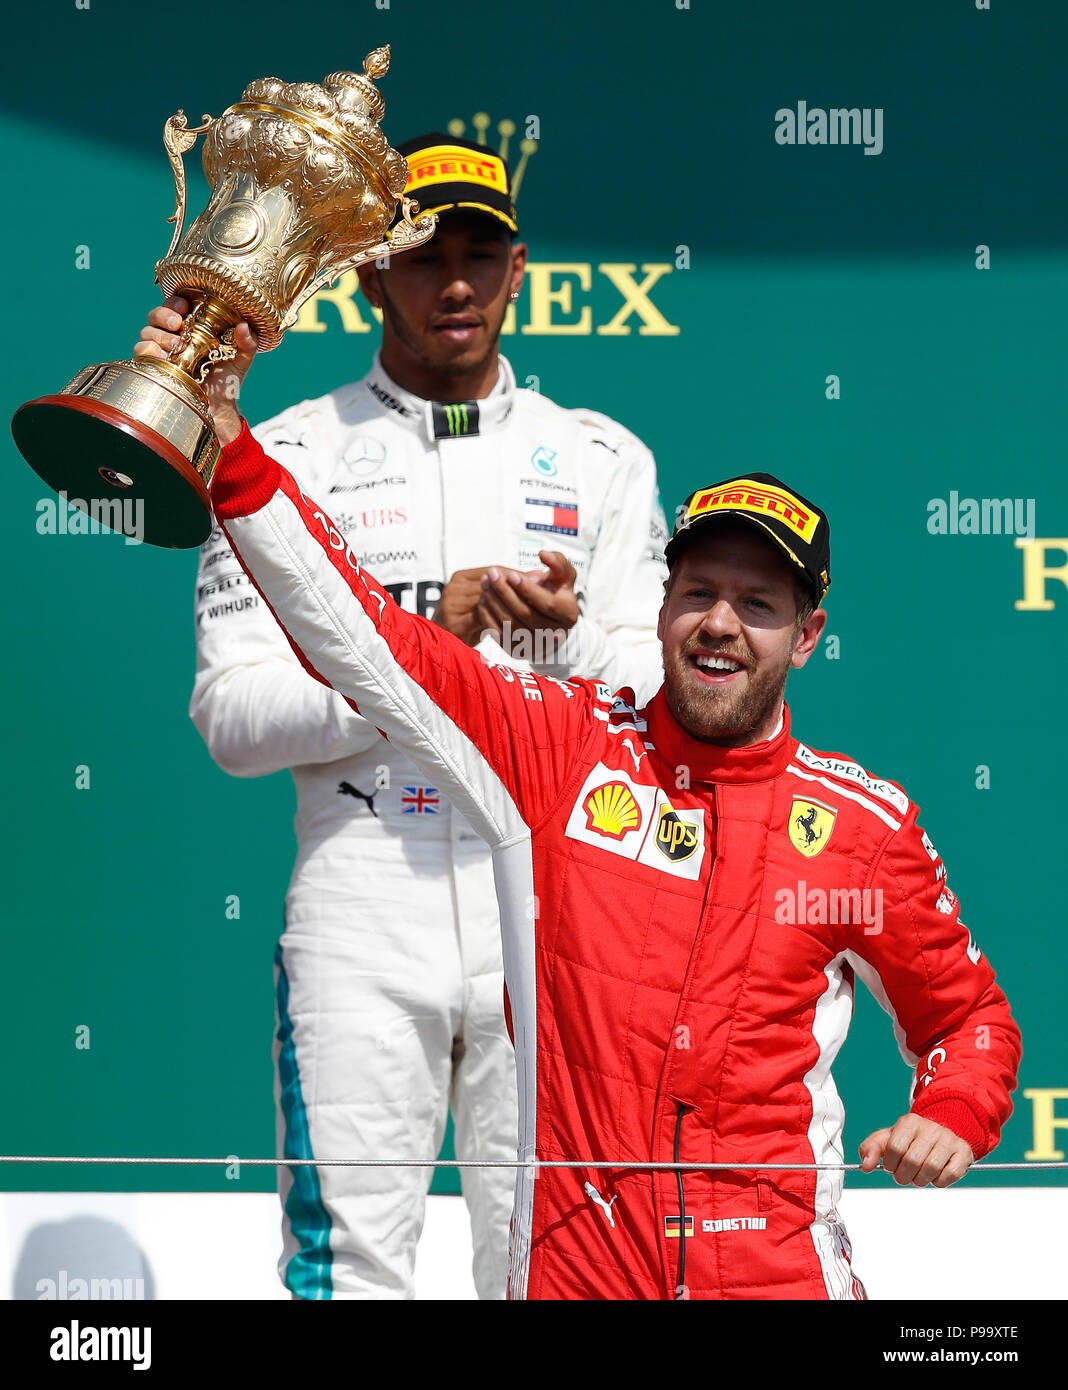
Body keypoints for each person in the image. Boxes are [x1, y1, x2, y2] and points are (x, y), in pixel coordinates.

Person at [201, 450, 1022, 1301]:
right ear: (663, 607)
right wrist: (233, 459)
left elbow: (969, 1021)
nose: (720, 624)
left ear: (807, 636)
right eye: (699, 593)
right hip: (575, 1278)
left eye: (759, 605)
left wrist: (952, 1109)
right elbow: (366, 637)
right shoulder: (559, 751)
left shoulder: (861, 828)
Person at [135, 132, 669, 1300]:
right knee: (350, 1267)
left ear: (522, 268)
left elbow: (653, 699)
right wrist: (426, 647)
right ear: (371, 275)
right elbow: (232, 716)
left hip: (547, 897)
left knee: (544, 1264)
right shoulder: (285, 455)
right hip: (363, 889)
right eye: (427, 258)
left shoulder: (599, 457)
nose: (459, 283)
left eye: (484, 254)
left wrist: (558, 644)